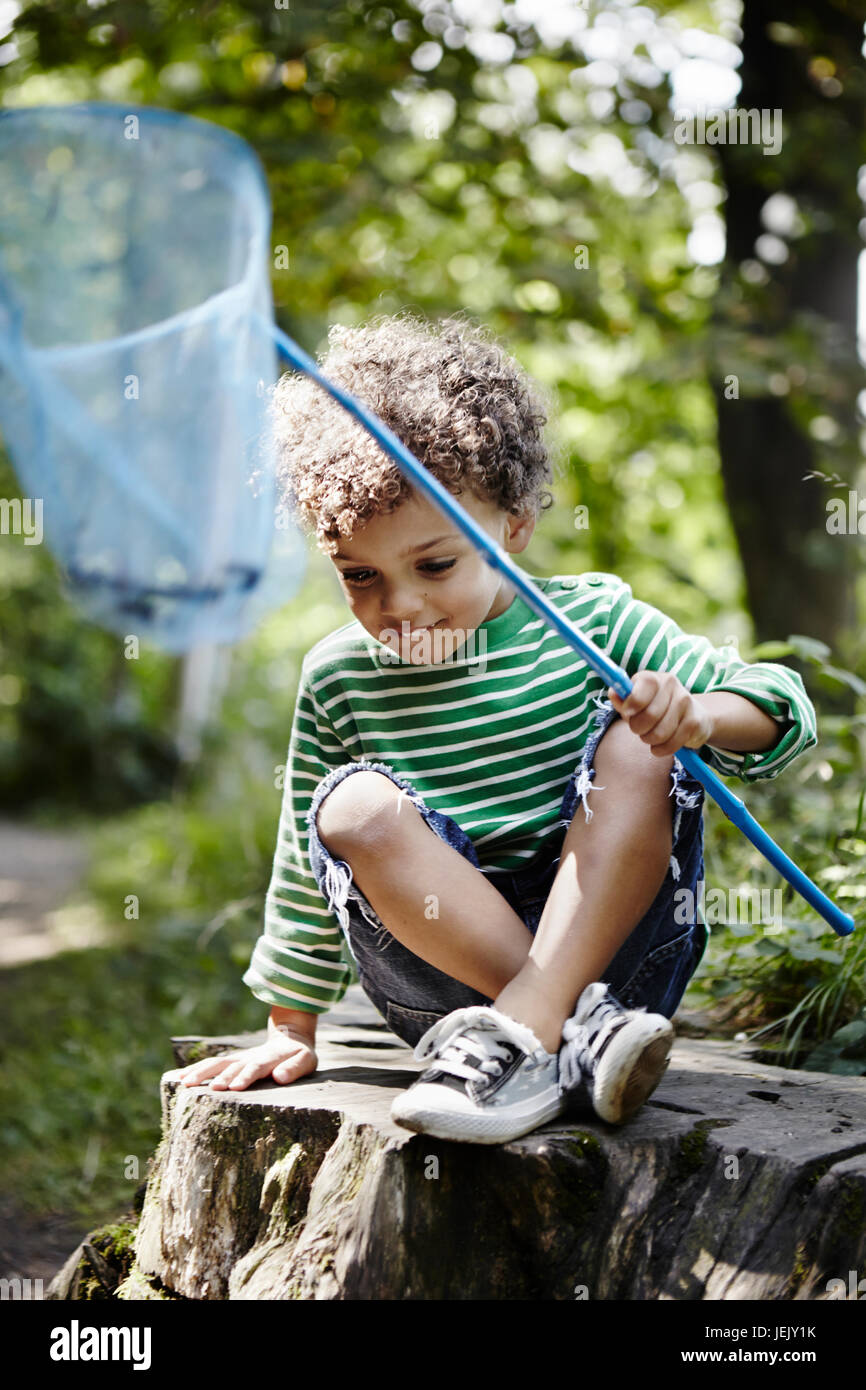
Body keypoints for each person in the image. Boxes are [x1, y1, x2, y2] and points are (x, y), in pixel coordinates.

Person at [177, 312, 817, 1144]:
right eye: (359, 575)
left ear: (514, 526)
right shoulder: (339, 677)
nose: (400, 606)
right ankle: (569, 1035)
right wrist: (289, 1026)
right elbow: (304, 865)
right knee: (348, 807)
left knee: (640, 742)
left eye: (435, 564)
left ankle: (540, 1024)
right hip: (445, 992)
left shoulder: (593, 625)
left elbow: (780, 705)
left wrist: (696, 718)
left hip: (620, 960)